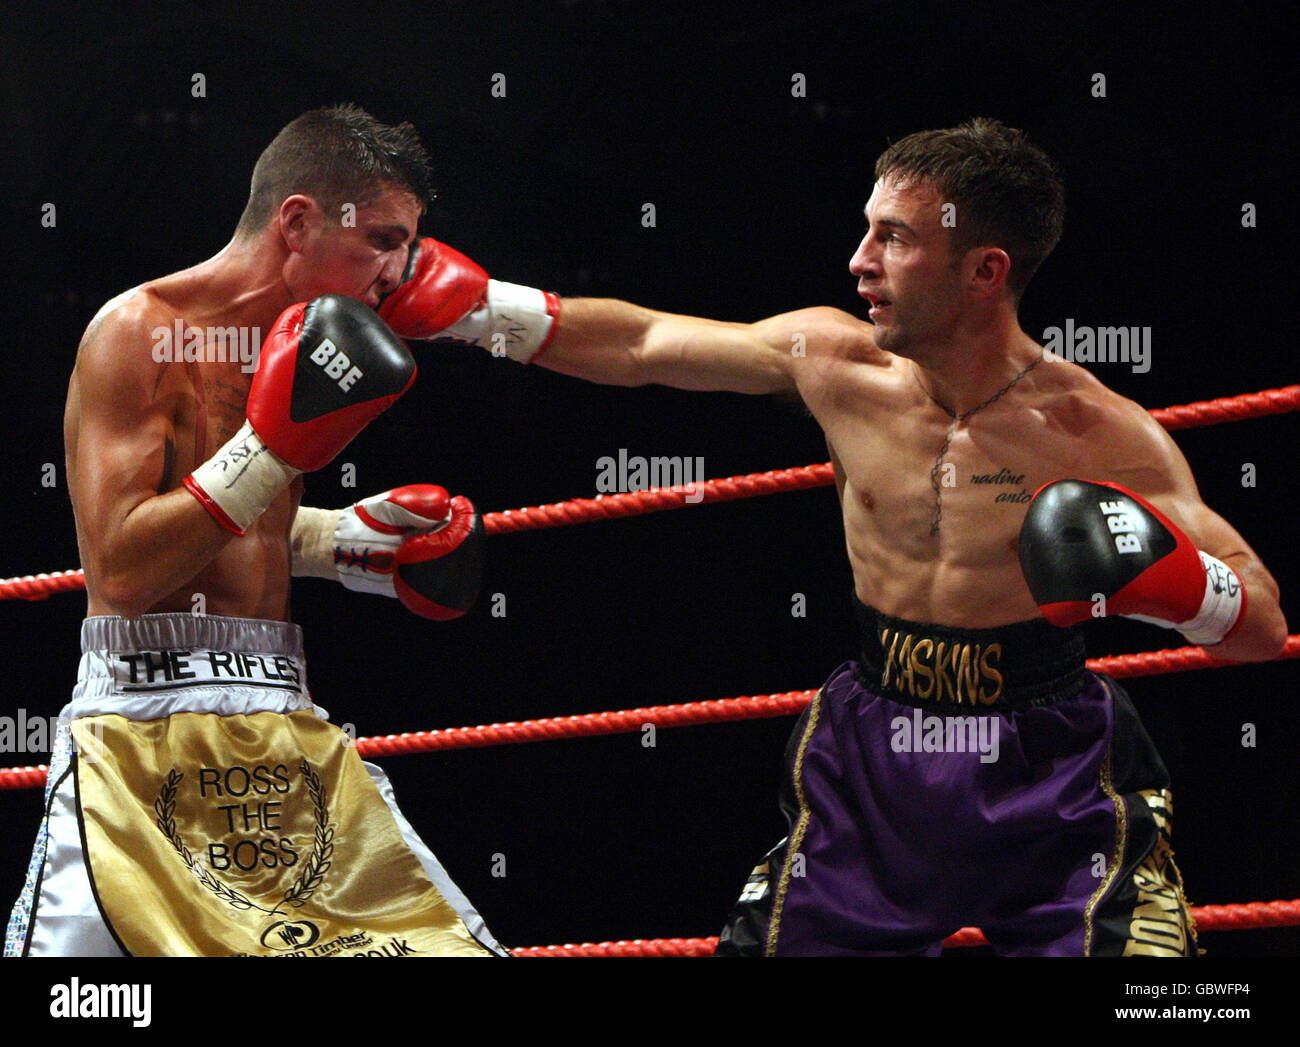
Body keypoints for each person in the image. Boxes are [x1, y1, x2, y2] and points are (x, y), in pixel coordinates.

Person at [400, 118, 1288, 955]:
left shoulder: (1099, 432)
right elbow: (642, 342)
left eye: (895, 239)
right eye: (868, 231)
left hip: (1049, 766)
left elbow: (1258, 627)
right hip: (873, 750)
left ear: (985, 271)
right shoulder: (835, 361)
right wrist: (481, 310)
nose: (859, 261)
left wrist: (1175, 584)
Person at [4, 104, 556, 957]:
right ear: (298, 222)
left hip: (280, 712)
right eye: (380, 238)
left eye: (408, 245)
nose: (398, 270)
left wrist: (352, 547)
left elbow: (240, 526)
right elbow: (120, 568)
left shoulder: (290, 348)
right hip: (144, 720)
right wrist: (269, 449)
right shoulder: (138, 331)